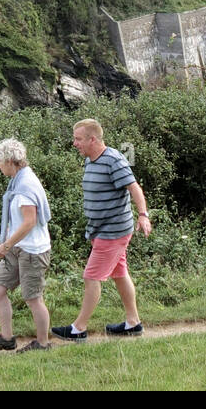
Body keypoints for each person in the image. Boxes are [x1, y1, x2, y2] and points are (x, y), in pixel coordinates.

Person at [53, 119, 152, 341]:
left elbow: (134, 187)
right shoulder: (90, 160)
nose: (74, 143)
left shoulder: (113, 160)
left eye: (78, 139)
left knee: (91, 277)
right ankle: (133, 323)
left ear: (92, 139)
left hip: (113, 232)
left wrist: (143, 216)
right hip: (100, 231)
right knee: (119, 273)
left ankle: (78, 329)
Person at [0, 139, 53, 353]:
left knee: (33, 298)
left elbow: (29, 221)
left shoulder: (24, 186)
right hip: (17, 247)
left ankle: (42, 343)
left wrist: (5, 245)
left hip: (32, 250)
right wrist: (9, 244)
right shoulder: (17, 180)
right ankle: (6, 338)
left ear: (10, 161)